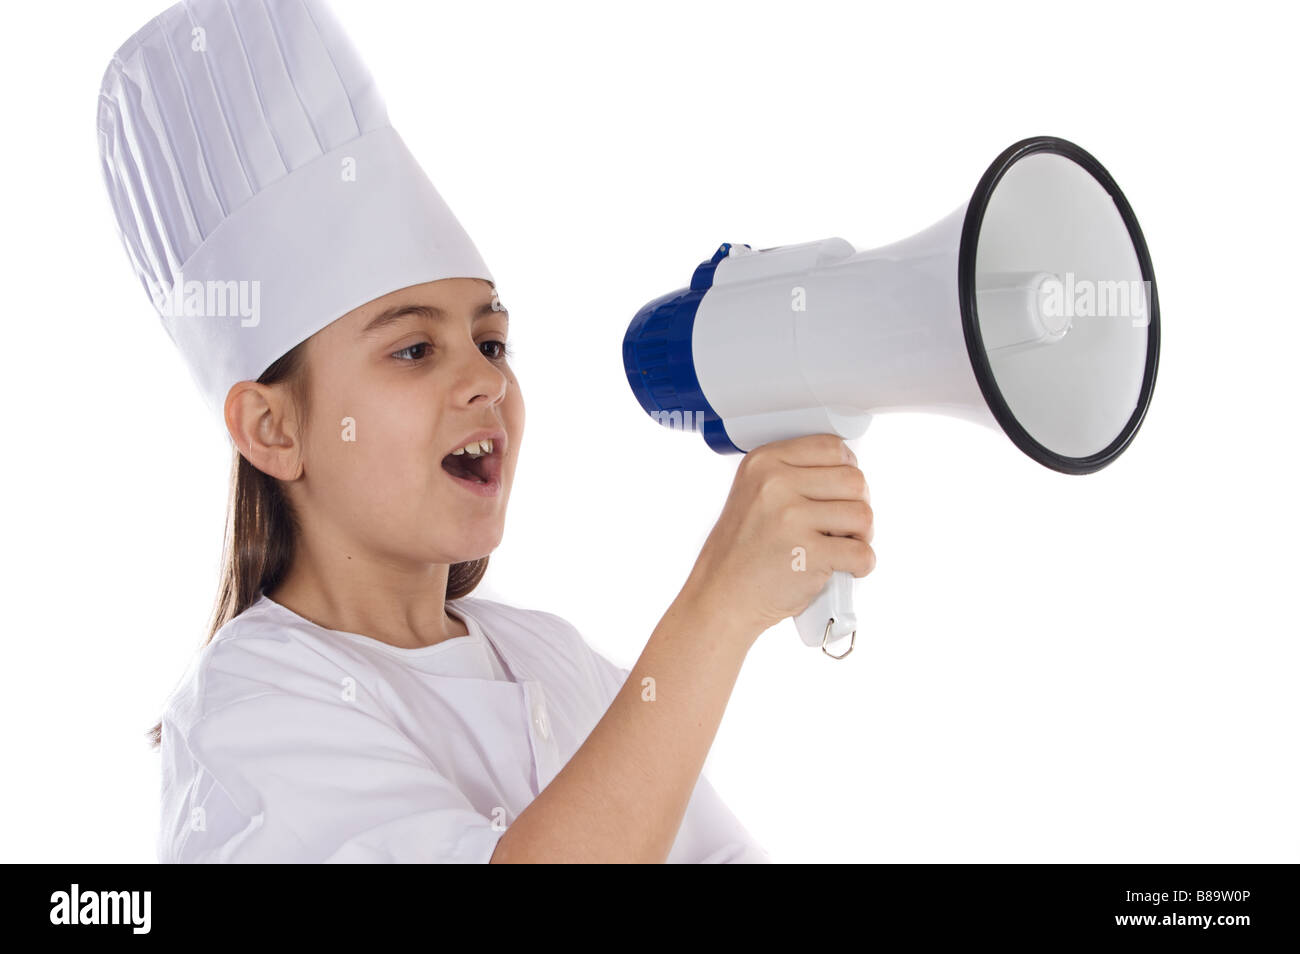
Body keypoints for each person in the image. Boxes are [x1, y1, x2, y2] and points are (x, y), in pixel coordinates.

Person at [98, 0, 875, 863]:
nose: (486, 381)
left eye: (493, 341)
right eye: (415, 349)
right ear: (274, 428)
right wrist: (719, 604)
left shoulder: (551, 659)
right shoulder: (247, 713)